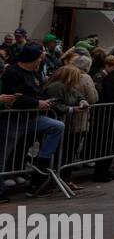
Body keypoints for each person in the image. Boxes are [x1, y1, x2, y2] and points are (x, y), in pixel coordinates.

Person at [0, 43, 65, 196]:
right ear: (32, 58)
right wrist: (36, 103)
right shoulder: (13, 73)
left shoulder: (34, 74)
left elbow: (37, 93)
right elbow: (14, 98)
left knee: (57, 126)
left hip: (32, 117)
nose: (40, 61)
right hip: (13, 120)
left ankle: (42, 160)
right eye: (39, 58)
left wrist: (44, 102)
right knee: (4, 153)